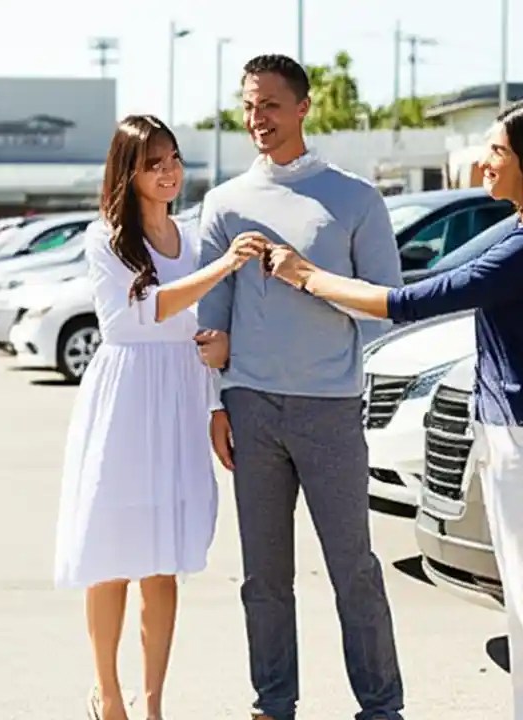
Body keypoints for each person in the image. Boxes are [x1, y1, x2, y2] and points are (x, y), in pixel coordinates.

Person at [265, 98, 523, 720]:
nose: (482, 165)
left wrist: (306, 275)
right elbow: (430, 272)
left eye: (496, 152)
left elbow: (411, 301)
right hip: (513, 444)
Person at [194, 54, 406, 720]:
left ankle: (381, 707)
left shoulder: (354, 198)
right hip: (251, 408)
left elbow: (383, 303)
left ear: (303, 108)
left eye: (271, 105)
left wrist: (306, 274)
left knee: (355, 570)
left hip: (330, 409)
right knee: (263, 577)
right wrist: (217, 404)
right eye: (250, 105)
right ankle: (272, 702)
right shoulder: (224, 203)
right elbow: (212, 321)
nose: (258, 118)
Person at [52, 114, 268, 720]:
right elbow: (131, 318)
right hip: (125, 402)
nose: (168, 171)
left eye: (173, 158)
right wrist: (222, 267)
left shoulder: (194, 237)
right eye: (153, 163)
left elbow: (209, 325)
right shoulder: (107, 239)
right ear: (129, 172)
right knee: (111, 554)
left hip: (180, 395)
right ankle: (109, 695)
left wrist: (218, 387)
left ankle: (153, 704)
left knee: (161, 561)